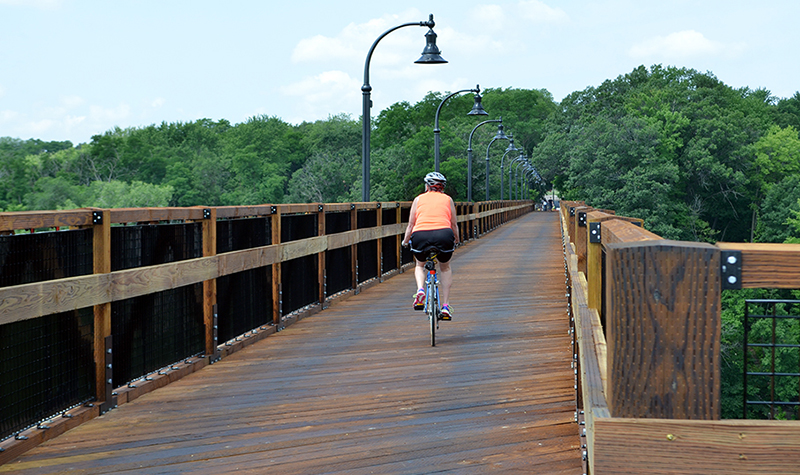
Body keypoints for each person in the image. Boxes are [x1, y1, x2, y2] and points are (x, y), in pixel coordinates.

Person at [401, 171, 460, 320]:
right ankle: (445, 306)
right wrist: (457, 239)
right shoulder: (448, 199)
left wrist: (406, 241)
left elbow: (411, 225)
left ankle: (420, 289)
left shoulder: (418, 199)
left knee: (420, 265)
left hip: (421, 235)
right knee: (445, 267)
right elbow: (453, 224)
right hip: (444, 235)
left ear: (427, 186)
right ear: (442, 188)